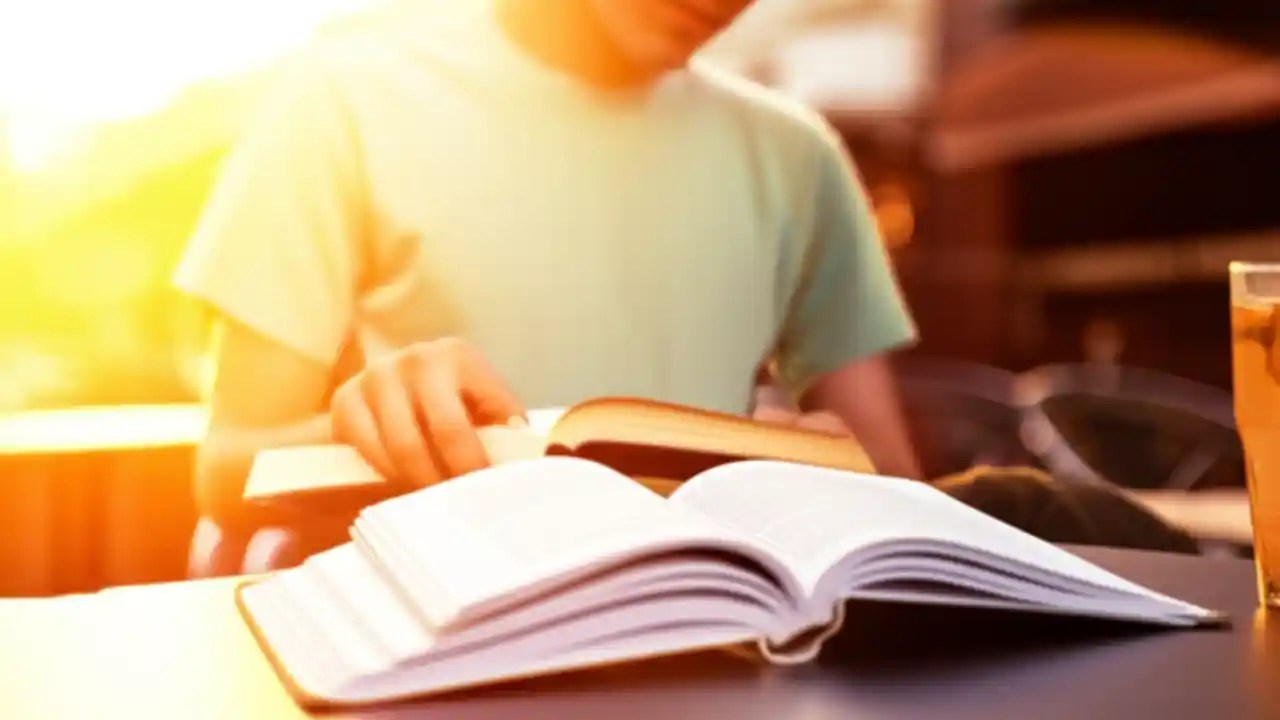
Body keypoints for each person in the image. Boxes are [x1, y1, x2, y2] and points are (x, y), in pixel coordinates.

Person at [176, 0, 1194, 574]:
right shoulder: (347, 95)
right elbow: (225, 468)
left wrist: (812, 473)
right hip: (445, 640)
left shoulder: (794, 155)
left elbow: (886, 476)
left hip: (705, 637)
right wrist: (359, 426)